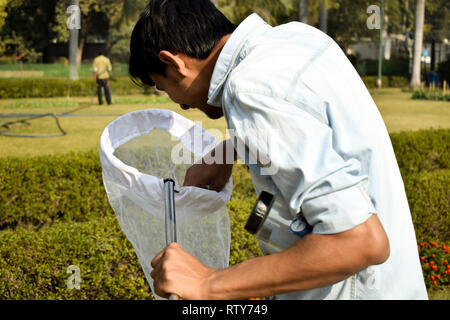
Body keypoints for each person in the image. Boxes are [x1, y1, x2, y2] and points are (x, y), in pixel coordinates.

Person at [129, 0, 428, 300]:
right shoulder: (297, 39)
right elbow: (303, 117)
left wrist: (207, 283)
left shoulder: (248, 88)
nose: (180, 103)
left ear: (174, 62)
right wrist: (233, 146)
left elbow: (359, 240)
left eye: (164, 87)